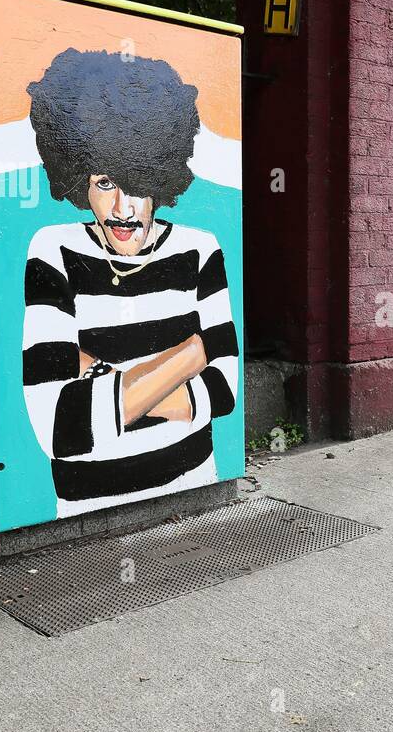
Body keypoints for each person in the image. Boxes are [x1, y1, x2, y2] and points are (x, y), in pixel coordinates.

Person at [22, 48, 239, 518]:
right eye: (104, 183)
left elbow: (223, 394)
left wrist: (101, 378)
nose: (122, 208)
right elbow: (60, 427)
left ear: (162, 177)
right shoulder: (54, 252)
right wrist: (189, 356)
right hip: (83, 515)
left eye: (138, 183)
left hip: (195, 485)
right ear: (78, 177)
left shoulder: (200, 251)